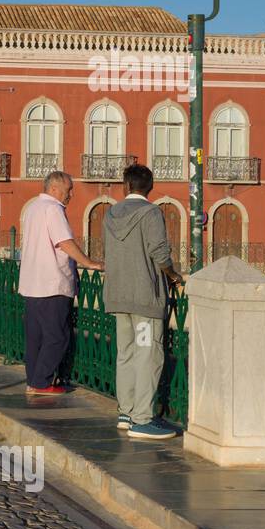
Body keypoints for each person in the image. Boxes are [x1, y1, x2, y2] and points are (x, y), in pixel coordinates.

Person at [103, 164, 185, 439]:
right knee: (147, 354)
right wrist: (174, 275)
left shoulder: (111, 213)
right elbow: (159, 253)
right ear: (150, 187)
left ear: (126, 186)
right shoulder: (151, 213)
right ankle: (142, 418)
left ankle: (126, 412)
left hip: (117, 294)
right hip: (144, 296)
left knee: (125, 353)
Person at [19, 170, 103, 394]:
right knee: (58, 337)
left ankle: (33, 381)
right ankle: (42, 382)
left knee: (35, 338)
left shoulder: (32, 208)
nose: (71, 195)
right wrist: (89, 262)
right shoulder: (53, 209)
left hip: (31, 282)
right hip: (52, 283)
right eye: (68, 190)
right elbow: (64, 242)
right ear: (54, 189)